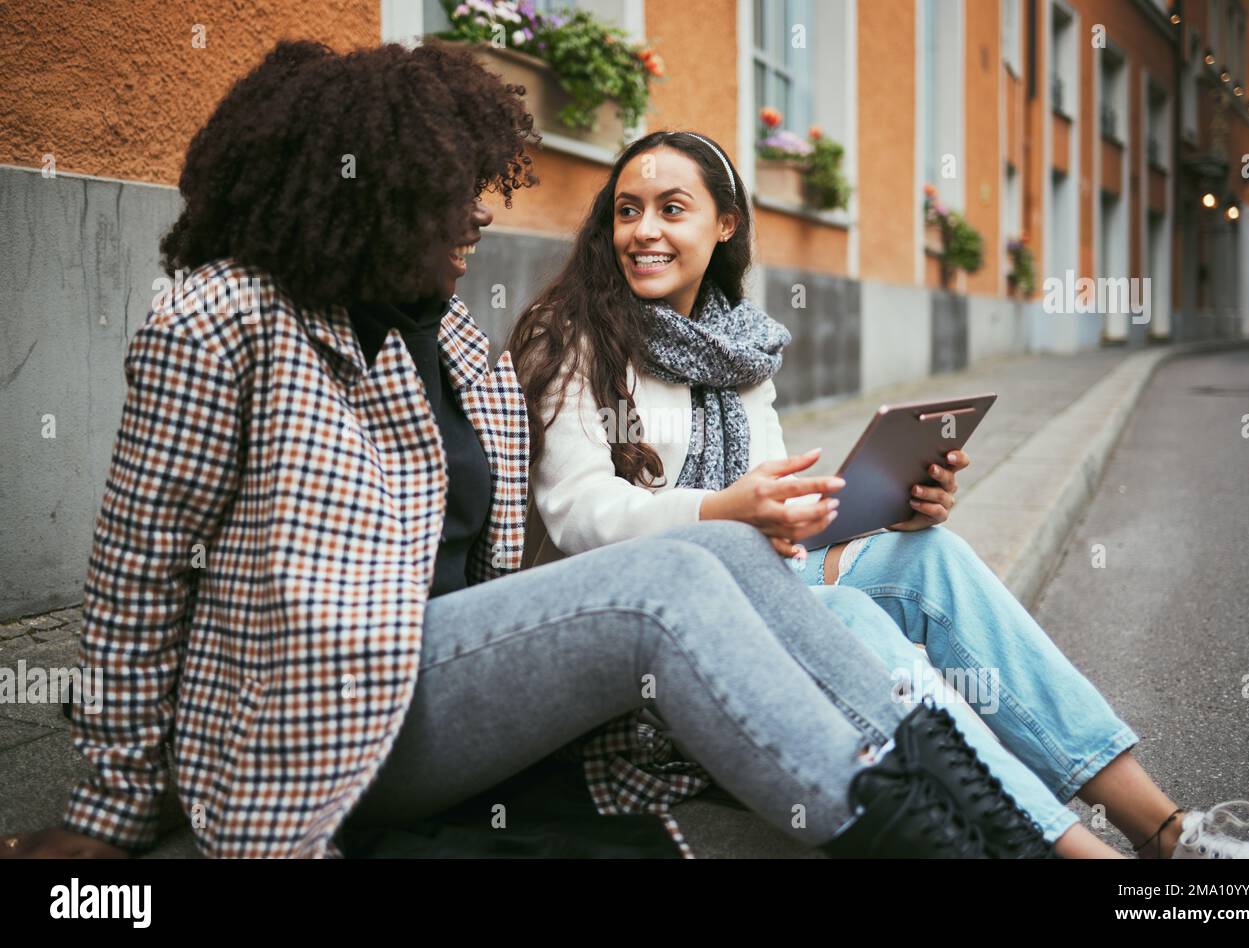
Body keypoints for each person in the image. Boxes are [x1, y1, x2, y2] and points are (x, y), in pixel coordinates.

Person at [0, 41, 1049, 862]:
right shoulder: (221, 319)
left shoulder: (448, 337)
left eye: (476, 182)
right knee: (667, 585)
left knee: (722, 554)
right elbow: (134, 578)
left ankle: (992, 831)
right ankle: (927, 844)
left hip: (449, 682)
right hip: (310, 716)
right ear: (368, 191)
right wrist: (110, 808)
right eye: (446, 189)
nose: (477, 210)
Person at [509, 129, 1249, 860]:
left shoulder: (738, 350)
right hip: (642, 640)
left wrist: (887, 507)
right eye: (627, 210)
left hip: (745, 588)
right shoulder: (571, 334)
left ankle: (1166, 833)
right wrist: (725, 510)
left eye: (672, 209)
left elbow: (777, 518)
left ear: (724, 226)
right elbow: (581, 517)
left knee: (925, 551)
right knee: (843, 615)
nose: (643, 230)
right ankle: (1069, 849)